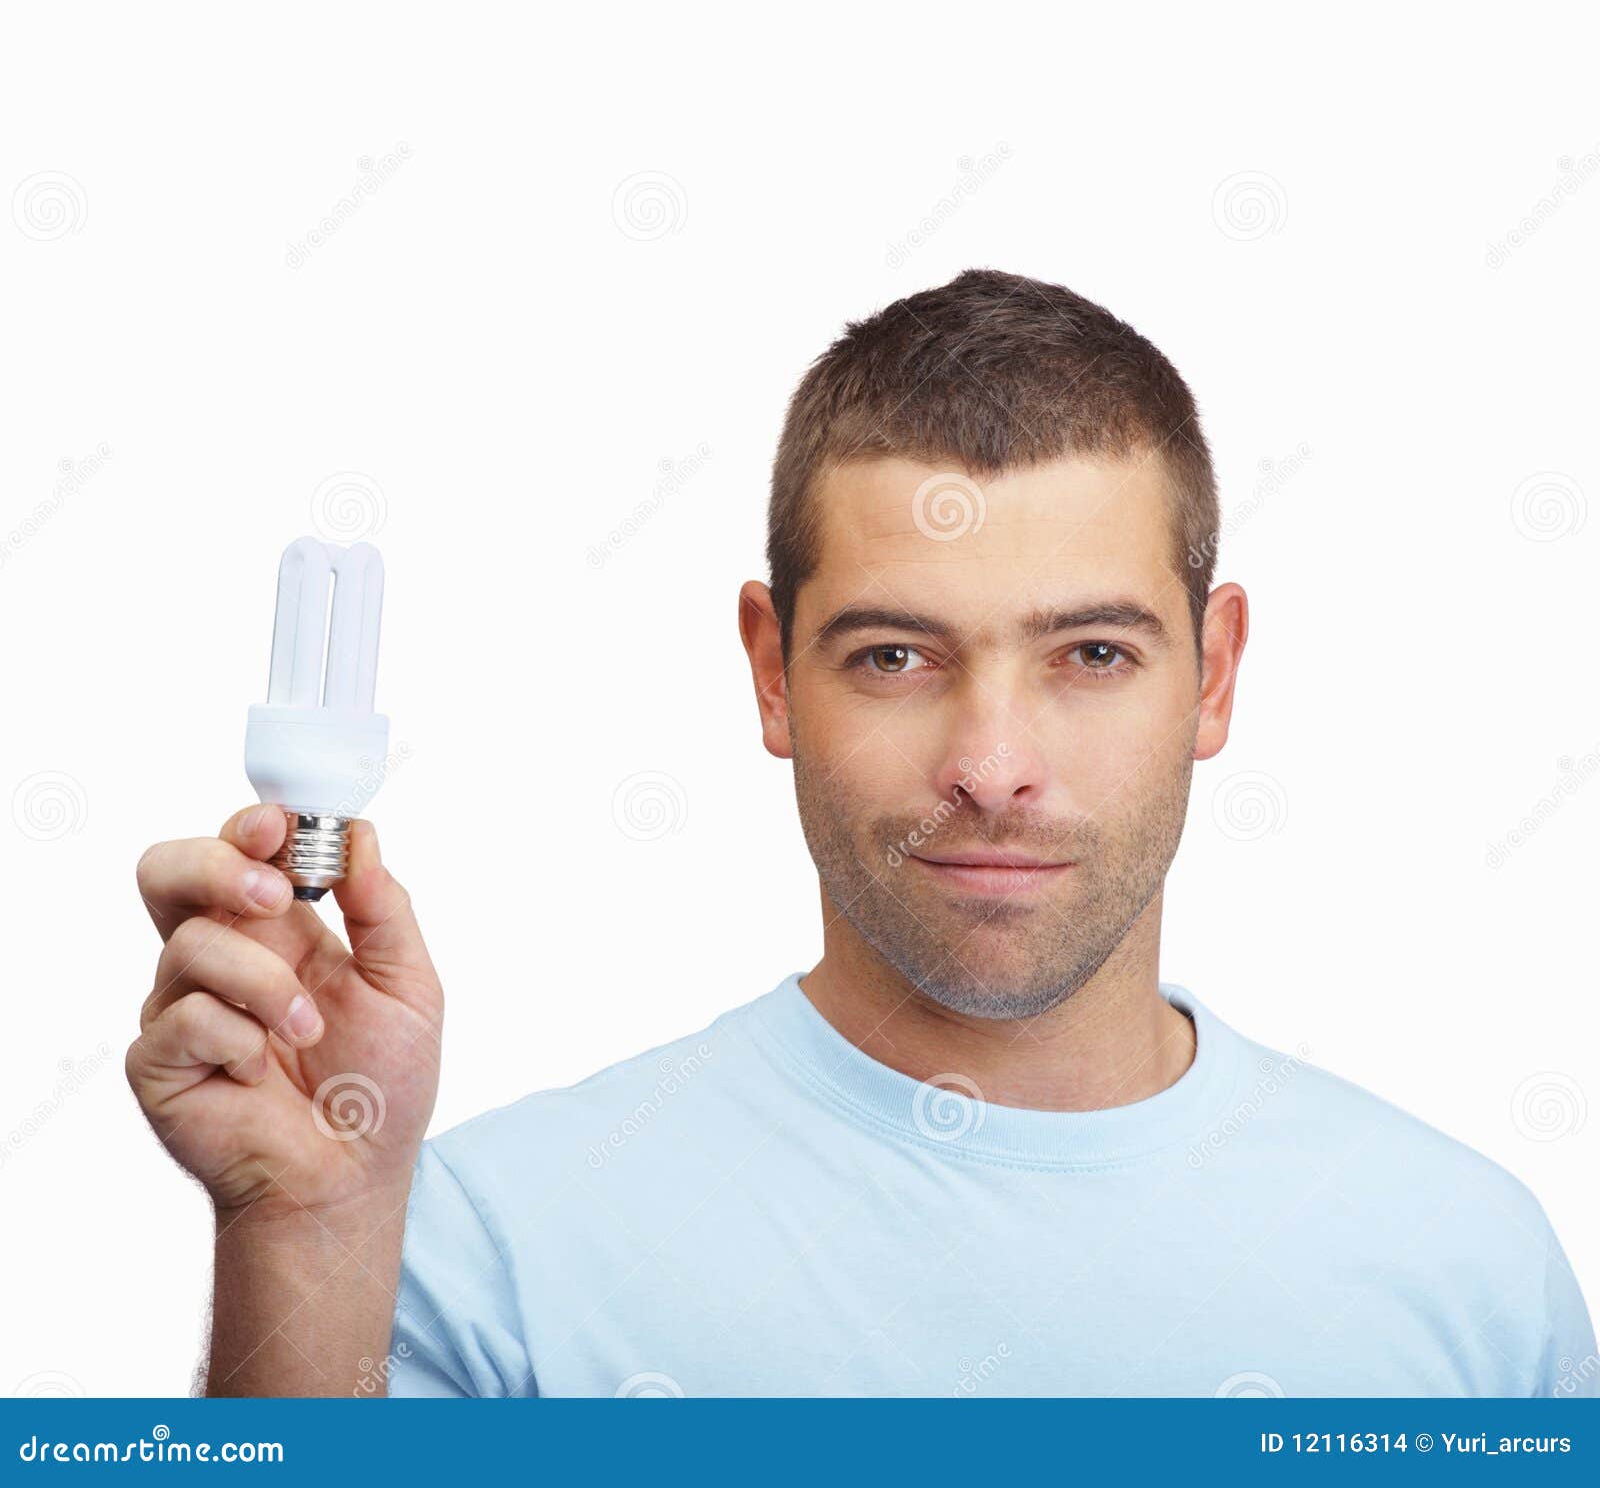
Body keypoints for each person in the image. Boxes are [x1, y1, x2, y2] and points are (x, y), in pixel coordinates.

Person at [128, 270, 1595, 1398]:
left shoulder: (1465, 1270)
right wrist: (305, 1238)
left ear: (1214, 674)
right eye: (896, 656)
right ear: (773, 671)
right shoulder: (474, 1252)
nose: (993, 767)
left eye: (1091, 654)